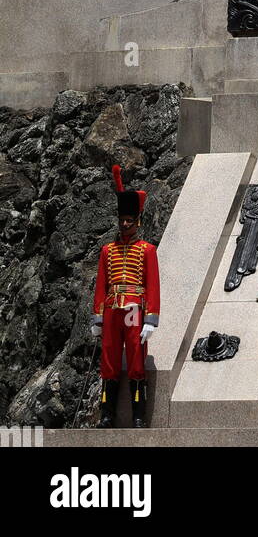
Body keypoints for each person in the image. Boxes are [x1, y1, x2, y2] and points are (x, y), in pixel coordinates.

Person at [91, 165, 160, 428]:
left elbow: (152, 286)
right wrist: (97, 317)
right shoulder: (107, 250)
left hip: (134, 309)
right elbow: (101, 285)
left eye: (129, 220)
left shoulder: (147, 251)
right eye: (122, 220)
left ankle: (139, 415)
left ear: (137, 221)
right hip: (111, 309)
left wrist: (151, 320)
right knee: (108, 359)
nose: (124, 224)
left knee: (135, 359)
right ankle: (107, 414)